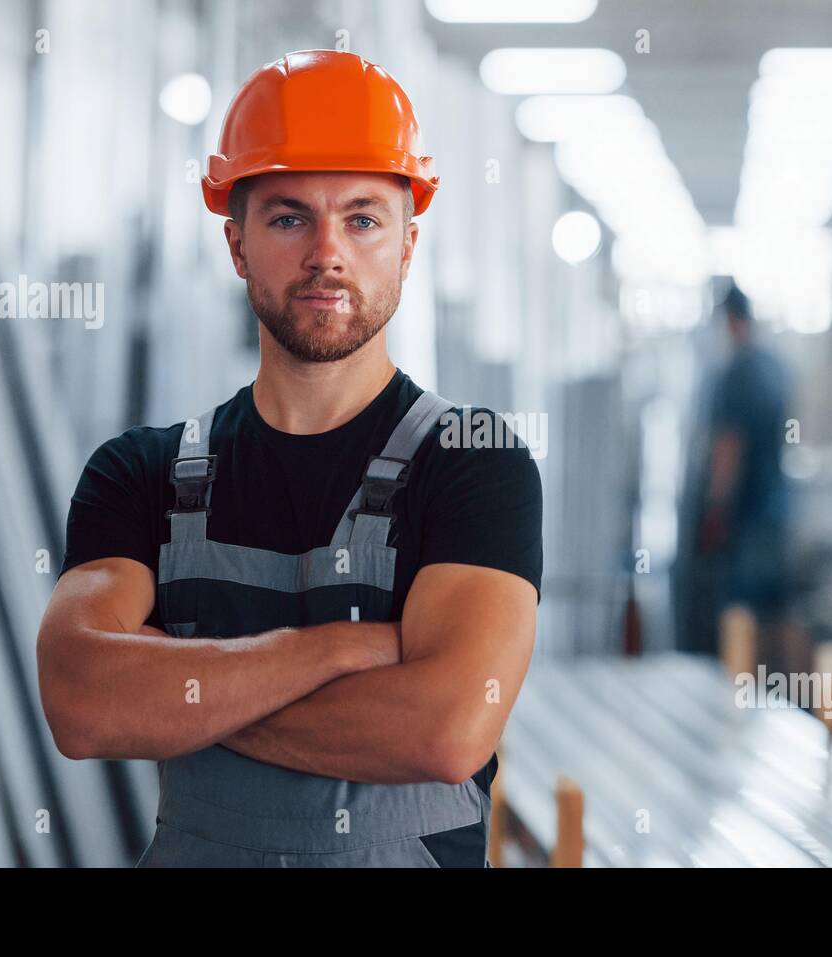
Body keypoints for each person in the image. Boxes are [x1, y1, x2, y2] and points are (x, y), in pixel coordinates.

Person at [35, 50, 543, 867]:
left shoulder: (472, 464)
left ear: (409, 244)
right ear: (236, 245)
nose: (327, 254)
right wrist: (339, 650)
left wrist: (180, 694)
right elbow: (81, 704)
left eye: (363, 218)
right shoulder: (140, 474)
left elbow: (447, 728)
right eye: (287, 217)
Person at [683, 283, 791, 666]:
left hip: (746, 518)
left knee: (741, 618)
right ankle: (782, 705)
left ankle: (745, 703)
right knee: (774, 612)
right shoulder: (774, 366)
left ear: (729, 321)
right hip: (776, 510)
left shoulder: (738, 372)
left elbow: (729, 447)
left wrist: (715, 509)